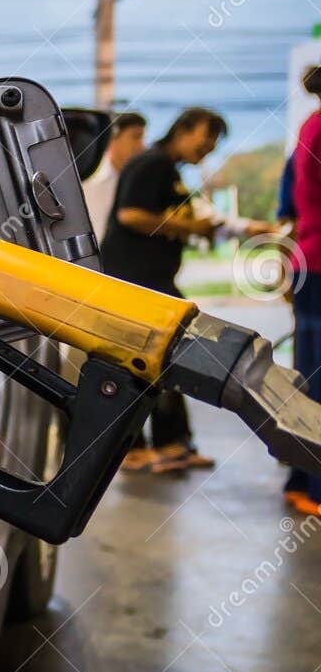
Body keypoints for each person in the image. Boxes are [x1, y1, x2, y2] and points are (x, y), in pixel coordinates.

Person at [101, 108, 236, 473]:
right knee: (141, 363)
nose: (209, 148)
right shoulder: (152, 163)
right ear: (183, 129)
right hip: (136, 281)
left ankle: (171, 443)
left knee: (167, 361)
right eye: (206, 138)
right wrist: (188, 227)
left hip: (154, 281)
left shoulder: (168, 169)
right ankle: (131, 448)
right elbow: (130, 215)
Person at [284, 66, 321, 513]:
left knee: (309, 377)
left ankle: (301, 479)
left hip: (309, 261)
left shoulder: (310, 126)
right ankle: (316, 488)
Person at [82, 111, 147, 235]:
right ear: (112, 139)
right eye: (136, 137)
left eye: (143, 139)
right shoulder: (87, 177)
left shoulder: (140, 182)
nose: (142, 146)